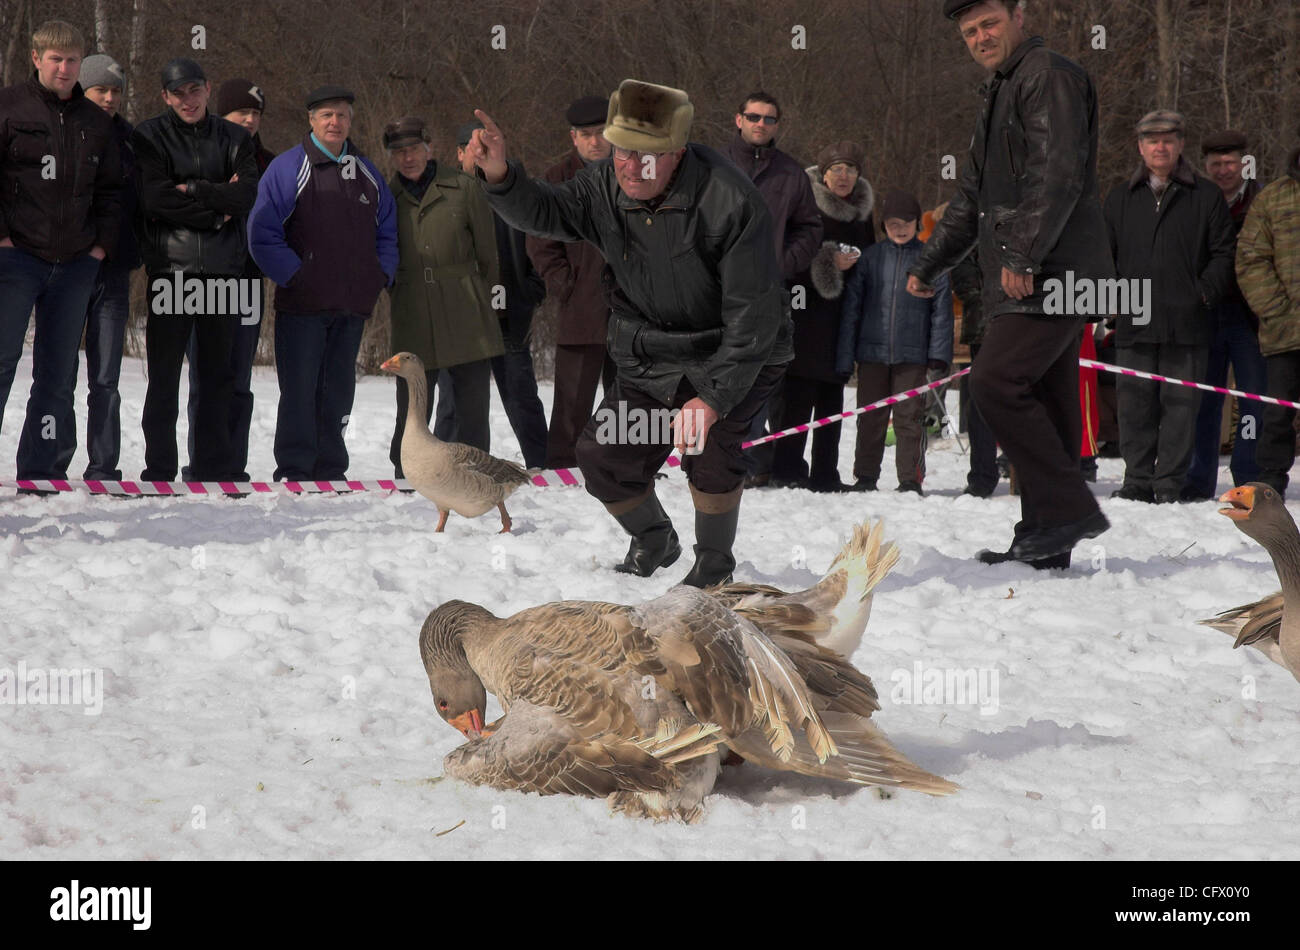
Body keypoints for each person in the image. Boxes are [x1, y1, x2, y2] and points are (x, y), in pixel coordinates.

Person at [469, 79, 792, 588]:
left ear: (678, 152)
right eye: (621, 150)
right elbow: (548, 212)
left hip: (732, 355)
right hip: (652, 356)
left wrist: (709, 399)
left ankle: (713, 568)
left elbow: (753, 317)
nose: (631, 165)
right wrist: (501, 176)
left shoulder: (728, 198)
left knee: (707, 452)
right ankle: (653, 537)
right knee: (604, 452)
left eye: (648, 154)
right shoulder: (602, 186)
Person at [908, 0, 1113, 565]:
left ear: (1020, 15)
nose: (979, 37)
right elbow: (973, 197)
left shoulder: (1047, 76)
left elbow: (1058, 174)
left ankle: (1070, 509)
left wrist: (1022, 255)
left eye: (989, 23)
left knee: (994, 383)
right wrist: (930, 263)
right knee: (1046, 397)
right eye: (969, 31)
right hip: (1028, 271)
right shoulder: (1001, 88)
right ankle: (1045, 540)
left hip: (1053, 269)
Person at [248, 85, 397, 481]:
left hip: (351, 307)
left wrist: (378, 276)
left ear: (351, 121)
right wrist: (296, 276)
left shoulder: (367, 173)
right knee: (299, 391)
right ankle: (296, 469)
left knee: (337, 392)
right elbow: (262, 233)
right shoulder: (288, 167)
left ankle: (331, 468)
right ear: (311, 120)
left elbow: (388, 234)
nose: (335, 122)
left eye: (343, 115)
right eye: (327, 115)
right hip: (303, 306)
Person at [0, 20, 120, 491]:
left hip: (74, 265)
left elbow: (112, 191)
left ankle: (42, 471)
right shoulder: (9, 107)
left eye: (73, 60)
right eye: (56, 59)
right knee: (3, 362)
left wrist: (97, 248)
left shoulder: (96, 122)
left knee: (57, 374)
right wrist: (3, 239)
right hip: (17, 258)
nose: (65, 68)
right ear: (36, 58)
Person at [133, 58, 259, 482]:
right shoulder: (149, 136)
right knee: (165, 375)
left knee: (217, 377)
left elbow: (246, 198)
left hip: (224, 272)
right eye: (178, 93)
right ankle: (160, 467)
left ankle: (212, 467)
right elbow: (155, 200)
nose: (188, 100)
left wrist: (198, 189)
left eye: (195, 90)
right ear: (165, 97)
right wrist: (211, 214)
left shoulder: (237, 137)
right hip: (171, 268)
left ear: (208, 89)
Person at [1104, 110, 1236, 503]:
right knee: (1134, 406)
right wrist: (1112, 300)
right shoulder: (1119, 197)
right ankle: (1137, 481)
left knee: (1180, 408)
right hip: (1134, 320)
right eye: (1152, 140)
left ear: (1180, 145)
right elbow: (1102, 254)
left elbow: (1224, 254)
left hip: (1188, 322)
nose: (1160, 147)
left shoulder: (1206, 195)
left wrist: (1202, 294)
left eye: (1168, 140)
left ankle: (1168, 484)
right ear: (1140, 147)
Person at [380, 115, 501, 474]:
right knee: (413, 403)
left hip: (466, 304)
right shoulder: (386, 197)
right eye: (399, 152)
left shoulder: (463, 187)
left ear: (428, 148)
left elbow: (488, 254)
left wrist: (483, 297)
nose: (408, 157)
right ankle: (407, 473)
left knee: (471, 405)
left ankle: (477, 473)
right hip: (412, 306)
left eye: (414, 148)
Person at [724, 90, 823, 487]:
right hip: (716, 291)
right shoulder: (713, 166)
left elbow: (811, 228)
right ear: (739, 119)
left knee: (762, 379)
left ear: (777, 125)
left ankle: (755, 462)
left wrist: (782, 264)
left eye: (769, 119)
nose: (761, 124)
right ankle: (721, 458)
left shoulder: (791, 173)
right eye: (754, 117)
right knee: (719, 376)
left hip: (767, 294)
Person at [183, 78, 277, 482]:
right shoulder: (197, 153)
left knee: (239, 377)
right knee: (206, 376)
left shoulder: (270, 164)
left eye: (256, 113)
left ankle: (232, 465)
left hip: (249, 282)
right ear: (223, 114)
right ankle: (204, 465)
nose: (250, 120)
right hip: (202, 280)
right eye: (242, 112)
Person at [770, 141, 874, 493]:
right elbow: (786, 257)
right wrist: (829, 261)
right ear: (823, 173)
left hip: (843, 316)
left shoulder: (863, 212)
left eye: (850, 169)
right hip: (803, 311)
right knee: (797, 395)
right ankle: (785, 469)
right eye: (836, 169)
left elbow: (870, 258)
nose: (843, 176)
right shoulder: (804, 201)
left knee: (832, 394)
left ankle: (826, 473)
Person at [838, 190, 952, 494]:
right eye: (892, 222)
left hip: (912, 355)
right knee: (870, 418)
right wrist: (845, 355)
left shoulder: (931, 259)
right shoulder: (870, 259)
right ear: (883, 225)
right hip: (871, 354)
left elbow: (941, 313)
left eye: (906, 222)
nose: (899, 228)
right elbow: (852, 309)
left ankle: (910, 479)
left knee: (909, 419)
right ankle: (865, 476)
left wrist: (938, 355)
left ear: (917, 223)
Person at [525, 96, 616, 470]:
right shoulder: (557, 178)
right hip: (581, 304)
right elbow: (539, 242)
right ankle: (563, 463)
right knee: (572, 396)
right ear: (573, 137)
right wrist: (566, 284)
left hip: (635, 309)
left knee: (628, 394)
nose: (595, 142)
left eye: (602, 133)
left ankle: (624, 459)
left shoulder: (634, 172)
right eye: (586, 134)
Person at [453, 119, 549, 469]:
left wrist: (532, 290)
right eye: (473, 150)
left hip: (509, 314)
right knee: (460, 400)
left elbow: (541, 243)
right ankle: (461, 466)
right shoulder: (447, 193)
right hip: (463, 317)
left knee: (521, 393)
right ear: (460, 153)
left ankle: (541, 463)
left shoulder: (515, 188)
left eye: (486, 149)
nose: (480, 156)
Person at [1182, 129, 1265, 500]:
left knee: (1252, 398)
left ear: (1243, 163)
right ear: (1206, 167)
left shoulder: (1260, 201)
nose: (1223, 170)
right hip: (1206, 314)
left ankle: (1247, 473)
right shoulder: (1196, 201)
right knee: (1205, 398)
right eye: (1216, 164)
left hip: (1251, 316)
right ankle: (1199, 477)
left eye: (1230, 163)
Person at [73, 53, 139, 483]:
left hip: (114, 272)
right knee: (56, 374)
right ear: (83, 89)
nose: (110, 98)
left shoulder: (131, 139)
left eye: (116, 91)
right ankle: (47, 465)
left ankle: (103, 467)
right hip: (65, 268)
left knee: (106, 378)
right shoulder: (62, 129)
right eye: (102, 89)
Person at [1237, 134, 1300, 496]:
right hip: (1284, 330)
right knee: (1276, 416)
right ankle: (1272, 483)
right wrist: (1276, 309)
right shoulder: (1273, 197)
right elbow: (1250, 257)